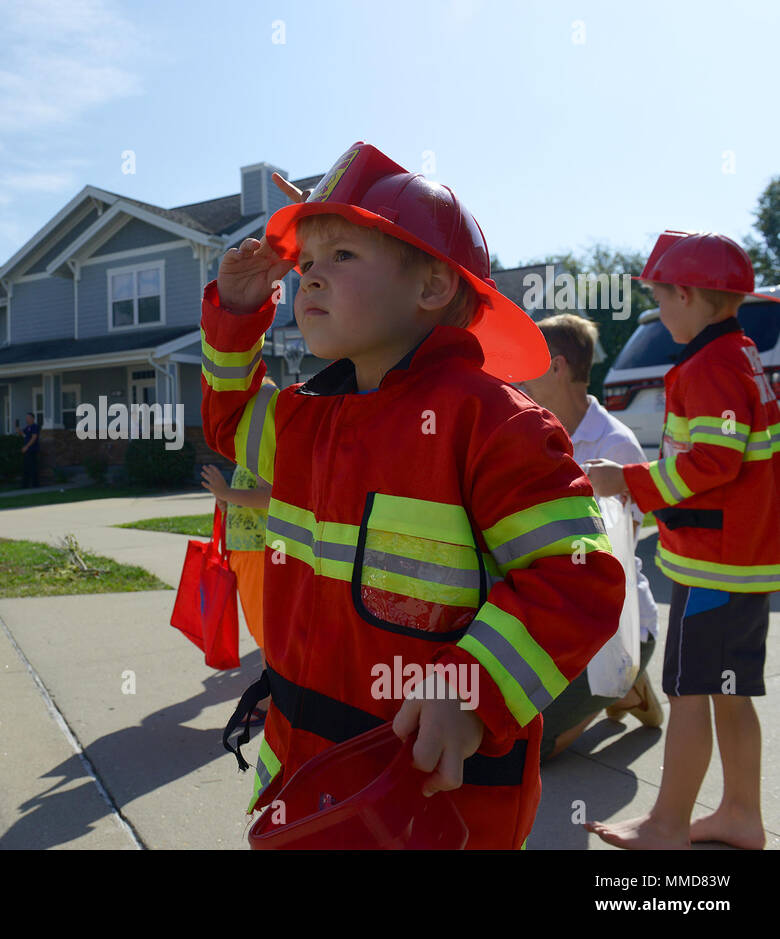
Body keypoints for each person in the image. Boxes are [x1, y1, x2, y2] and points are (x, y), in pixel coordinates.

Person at [202, 142, 624, 850]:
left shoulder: (492, 421)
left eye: (341, 257)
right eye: (305, 263)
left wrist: (472, 687)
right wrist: (239, 313)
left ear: (431, 287)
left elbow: (576, 576)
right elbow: (228, 418)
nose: (309, 278)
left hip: (429, 801)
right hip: (305, 781)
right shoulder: (305, 417)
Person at [581, 231, 780, 850]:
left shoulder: (710, 368)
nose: (661, 313)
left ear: (688, 295)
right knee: (730, 691)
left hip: (714, 568)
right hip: (741, 562)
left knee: (689, 692)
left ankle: (667, 826)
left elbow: (712, 464)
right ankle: (741, 814)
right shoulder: (743, 354)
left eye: (662, 299)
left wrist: (629, 481)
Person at [516, 314, 662, 761]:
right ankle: (620, 689)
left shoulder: (614, 446)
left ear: (557, 367)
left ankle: (629, 685)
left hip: (611, 626)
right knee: (502, 727)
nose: (519, 377)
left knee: (535, 749)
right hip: (550, 615)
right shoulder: (531, 435)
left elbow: (621, 549)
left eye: (529, 364)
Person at [201, 436, 275, 722]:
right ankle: (273, 696)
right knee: (262, 630)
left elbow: (270, 496)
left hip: (258, 551)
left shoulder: (263, 446)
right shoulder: (249, 450)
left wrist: (227, 493)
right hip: (245, 551)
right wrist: (223, 499)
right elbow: (244, 503)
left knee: (265, 632)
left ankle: (269, 701)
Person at [20, 412, 40, 488]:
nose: (27, 419)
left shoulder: (35, 426)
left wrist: (26, 447)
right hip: (27, 450)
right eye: (26, 418)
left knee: (33, 467)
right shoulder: (27, 427)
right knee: (26, 467)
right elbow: (24, 435)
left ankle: (35, 485)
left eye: (28, 418)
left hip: (32, 450)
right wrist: (19, 430)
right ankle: (25, 485)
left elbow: (34, 437)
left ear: (32, 418)